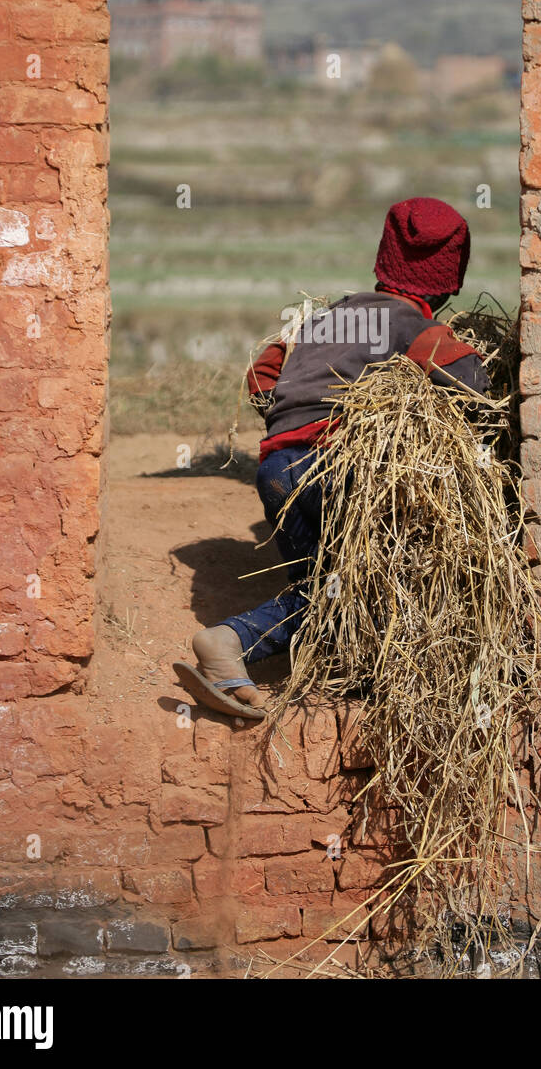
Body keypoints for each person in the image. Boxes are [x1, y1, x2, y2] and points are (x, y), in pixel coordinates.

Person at [174, 196, 489, 719]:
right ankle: (231, 640)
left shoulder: (323, 320)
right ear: (450, 280)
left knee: (326, 584)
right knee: (360, 590)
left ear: (381, 263)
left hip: (276, 469)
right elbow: (472, 386)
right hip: (334, 468)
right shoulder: (419, 329)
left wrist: (295, 410)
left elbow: (261, 379)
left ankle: (235, 669)